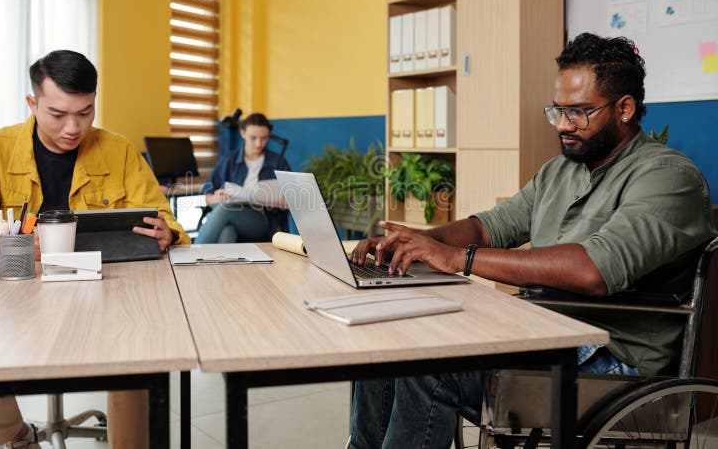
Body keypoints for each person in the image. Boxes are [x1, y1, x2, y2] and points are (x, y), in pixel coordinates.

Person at [347, 33, 716, 449]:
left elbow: (592, 270)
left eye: (577, 112)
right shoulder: (558, 172)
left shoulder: (668, 177)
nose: (562, 125)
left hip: (612, 360)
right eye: (558, 111)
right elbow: (489, 227)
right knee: (388, 340)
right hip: (544, 332)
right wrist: (418, 242)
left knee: (431, 364)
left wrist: (457, 258)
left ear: (625, 108)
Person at [0, 49, 188, 449]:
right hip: (17, 291)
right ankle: (15, 436)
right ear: (33, 103)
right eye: (58, 114)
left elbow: (165, 215)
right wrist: (16, 240)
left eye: (85, 112)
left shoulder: (119, 150)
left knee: (137, 357)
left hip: (106, 292)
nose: (73, 127)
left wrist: (169, 232)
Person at [198, 112, 291, 243]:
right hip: (231, 214)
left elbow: (290, 202)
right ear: (243, 133)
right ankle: (224, 263)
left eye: (264, 138)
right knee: (227, 230)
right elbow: (207, 198)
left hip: (262, 221)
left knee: (225, 209)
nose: (259, 143)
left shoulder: (278, 162)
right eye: (253, 138)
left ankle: (193, 253)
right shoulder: (228, 160)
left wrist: (275, 200)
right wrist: (217, 197)